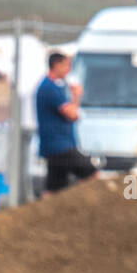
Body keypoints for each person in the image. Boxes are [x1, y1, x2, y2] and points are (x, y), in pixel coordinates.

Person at [36, 51, 97, 194]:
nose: (68, 70)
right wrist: (76, 97)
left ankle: (46, 214)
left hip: (56, 145)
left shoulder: (56, 86)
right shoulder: (49, 88)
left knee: (54, 188)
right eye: (66, 65)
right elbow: (72, 114)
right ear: (56, 65)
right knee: (92, 174)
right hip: (60, 147)